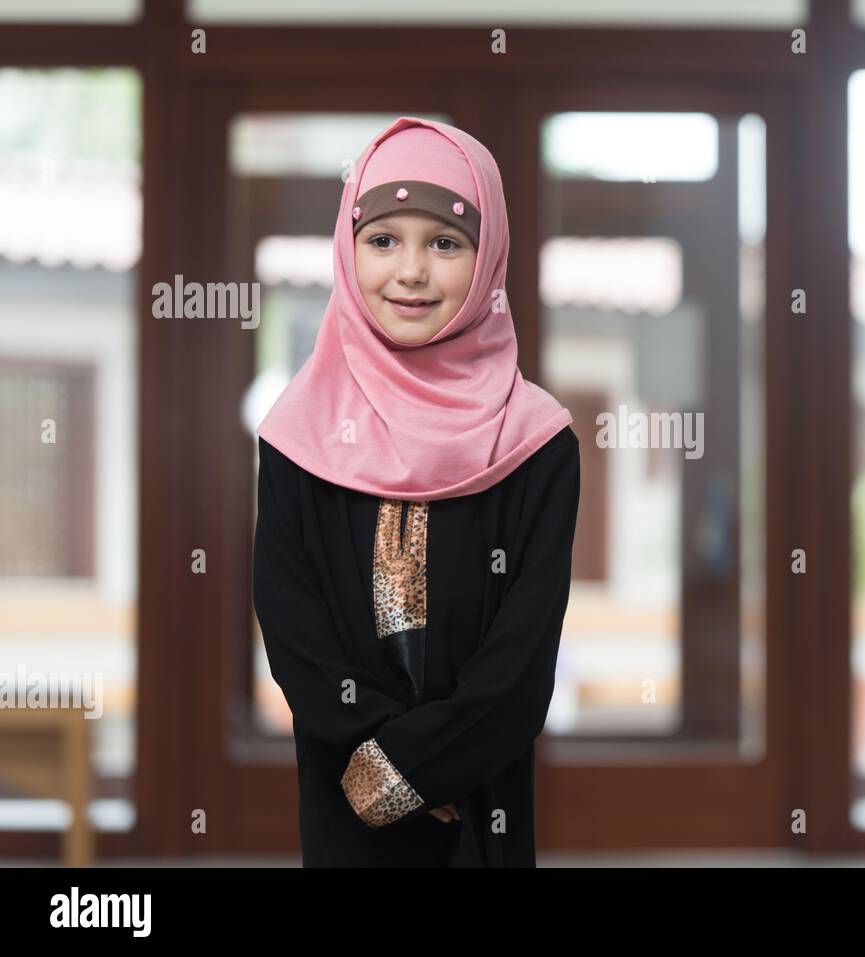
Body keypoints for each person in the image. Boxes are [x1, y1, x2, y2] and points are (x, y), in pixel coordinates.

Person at [251, 116, 580, 867]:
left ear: (488, 254)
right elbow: (294, 632)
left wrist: (408, 769)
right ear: (348, 248)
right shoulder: (296, 436)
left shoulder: (537, 444)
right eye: (382, 239)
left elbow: (521, 663)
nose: (410, 271)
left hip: (480, 816)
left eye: (445, 242)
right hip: (344, 814)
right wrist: (371, 769)